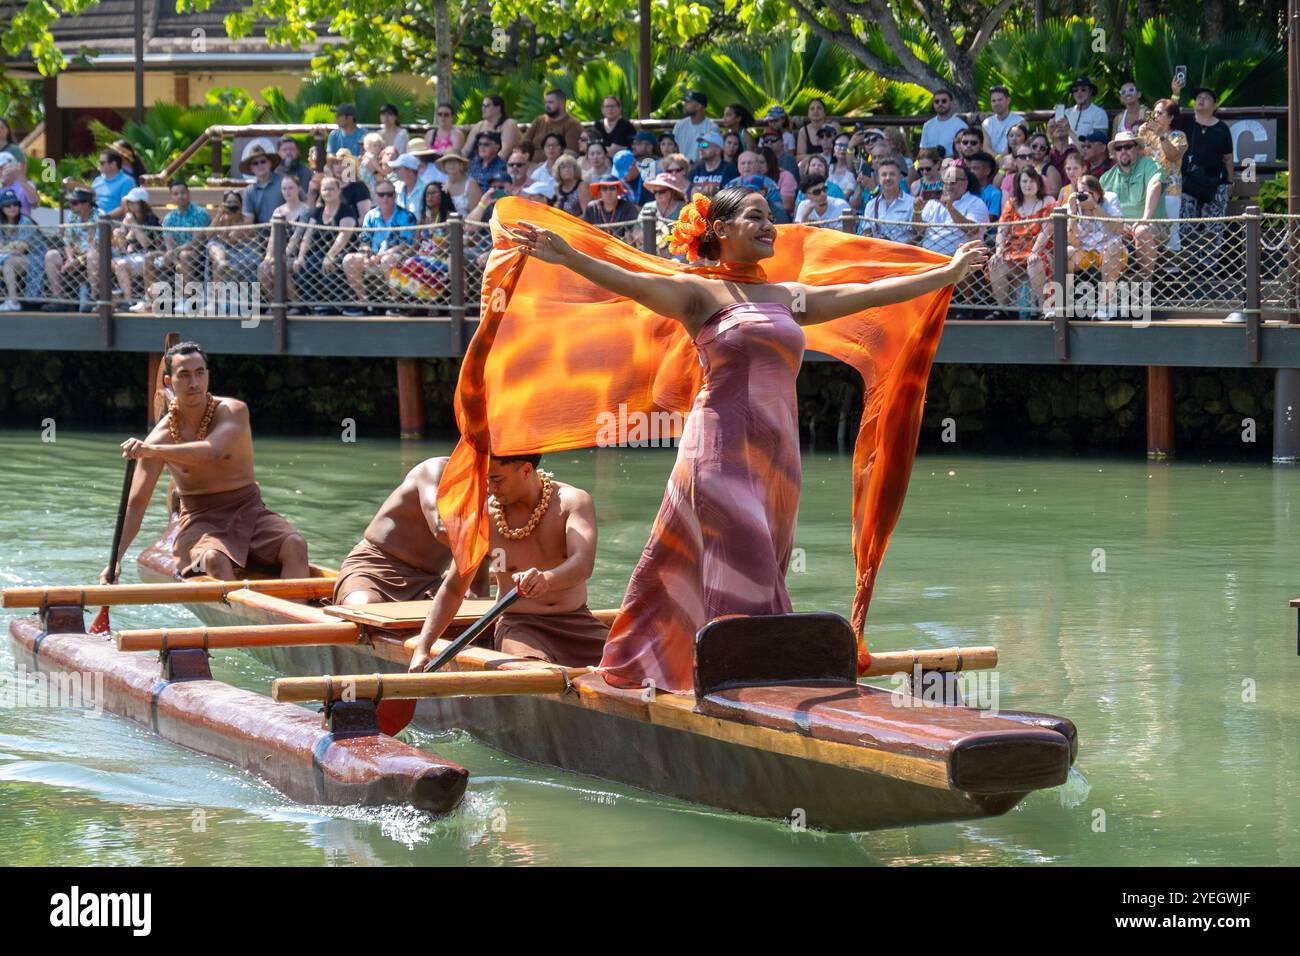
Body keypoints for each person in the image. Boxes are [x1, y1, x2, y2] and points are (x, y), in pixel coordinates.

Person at [495, 186, 986, 692]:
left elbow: (866, 295)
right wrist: (568, 256)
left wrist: (945, 275)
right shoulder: (699, 294)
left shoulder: (786, 296)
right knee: (748, 564)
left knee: (733, 563)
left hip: (777, 461)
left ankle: (674, 670)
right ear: (721, 231)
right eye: (755, 217)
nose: (769, 225)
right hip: (717, 453)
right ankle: (761, 684)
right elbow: (630, 282)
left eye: (770, 216)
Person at [101, 340, 308, 583]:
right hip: (199, 523)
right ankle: (238, 615)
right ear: (169, 381)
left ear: (208, 375)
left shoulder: (233, 411)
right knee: (212, 559)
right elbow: (135, 506)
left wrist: (153, 450)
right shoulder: (161, 436)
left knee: (295, 544)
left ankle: (296, 616)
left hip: (250, 511)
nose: (194, 383)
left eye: (200, 373)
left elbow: (211, 451)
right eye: (184, 375)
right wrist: (114, 561)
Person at [408, 454, 605, 671]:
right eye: (486, 481)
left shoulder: (573, 502)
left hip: (578, 621)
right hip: (520, 626)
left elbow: (583, 563)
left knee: (634, 666)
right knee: (534, 673)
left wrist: (546, 579)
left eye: (497, 480)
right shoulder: (482, 518)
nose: (491, 489)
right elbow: (454, 589)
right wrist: (422, 649)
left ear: (526, 471)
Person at [334, 457, 492, 605]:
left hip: (429, 582)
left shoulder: (497, 497)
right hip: (375, 568)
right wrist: (492, 540)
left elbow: (478, 582)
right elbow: (440, 528)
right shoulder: (436, 469)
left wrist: (481, 622)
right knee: (365, 608)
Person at [1178, 86, 1234, 274]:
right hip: (1188, 181)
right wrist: (1175, 93)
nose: (1201, 100)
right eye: (1198, 97)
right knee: (1186, 223)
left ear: (1215, 105)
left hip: (1214, 182)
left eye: (1206, 98)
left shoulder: (1222, 128)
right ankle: (1189, 263)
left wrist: (1230, 182)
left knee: (1214, 225)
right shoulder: (1185, 122)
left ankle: (1210, 266)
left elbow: (1228, 158)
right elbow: (1156, 119)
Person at [343, 179, 417, 316]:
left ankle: (398, 303)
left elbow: (407, 244)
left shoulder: (406, 216)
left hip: (400, 257)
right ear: (375, 196)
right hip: (375, 256)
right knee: (349, 259)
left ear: (394, 195)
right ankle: (366, 304)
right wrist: (367, 254)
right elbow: (364, 241)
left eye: (389, 194)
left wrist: (380, 256)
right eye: (381, 194)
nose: (385, 198)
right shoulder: (370, 216)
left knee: (387, 260)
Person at [1100, 129, 1164, 280]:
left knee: (1141, 231)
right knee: (1110, 242)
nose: (1123, 151)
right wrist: (1118, 226)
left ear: (1137, 148)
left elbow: (1155, 185)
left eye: (1128, 146)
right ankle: (1106, 295)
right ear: (1114, 153)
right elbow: (1100, 210)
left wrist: (1144, 219)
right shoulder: (1105, 178)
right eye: (1118, 148)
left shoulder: (1149, 164)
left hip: (1151, 225)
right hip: (1118, 230)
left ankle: (1146, 286)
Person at [989, 166, 1054, 315]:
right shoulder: (1012, 203)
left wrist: (1034, 252)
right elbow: (1002, 230)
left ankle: (1042, 309)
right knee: (995, 263)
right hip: (1014, 252)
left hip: (1041, 250)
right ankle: (1002, 310)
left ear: (1039, 183)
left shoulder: (1048, 201)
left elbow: (1046, 231)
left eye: (1032, 181)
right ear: (1018, 184)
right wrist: (999, 251)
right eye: (1024, 181)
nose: (1028, 185)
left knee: (1034, 261)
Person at [1065, 174, 1125, 317]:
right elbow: (1074, 242)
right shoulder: (1073, 205)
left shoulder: (1110, 199)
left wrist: (1094, 207)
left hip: (1110, 251)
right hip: (1086, 253)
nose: (1085, 196)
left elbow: (1118, 229)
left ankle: (1105, 306)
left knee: (1115, 245)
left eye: (1090, 193)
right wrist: (1073, 216)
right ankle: (1064, 305)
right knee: (1066, 252)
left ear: (1098, 193)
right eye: (1082, 193)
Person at [295, 177, 358, 313]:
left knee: (330, 266)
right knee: (306, 265)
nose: (327, 192)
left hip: (342, 253)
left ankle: (336, 305)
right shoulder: (317, 212)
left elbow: (344, 236)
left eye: (331, 189)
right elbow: (308, 235)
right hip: (319, 253)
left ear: (338, 190)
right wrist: (301, 256)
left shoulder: (346, 210)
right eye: (324, 189)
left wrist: (330, 255)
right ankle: (313, 304)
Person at [148, 180, 211, 312]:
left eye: (183, 192)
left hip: (198, 253)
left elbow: (197, 241)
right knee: (149, 257)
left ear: (188, 193)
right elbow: (169, 244)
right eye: (176, 194)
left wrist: (177, 252)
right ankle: (149, 299)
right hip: (176, 255)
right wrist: (172, 255)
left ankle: (186, 299)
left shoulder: (200, 213)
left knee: (185, 255)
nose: (180, 196)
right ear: (172, 197)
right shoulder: (169, 218)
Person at [1139, 98, 1188, 254]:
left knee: (1171, 229)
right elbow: (1138, 159)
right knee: (1148, 228)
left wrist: (1161, 136)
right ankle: (1152, 265)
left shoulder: (1179, 136)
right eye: (1154, 114)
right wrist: (1140, 135)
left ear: (1171, 117)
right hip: (1148, 190)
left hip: (1170, 190)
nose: (1155, 117)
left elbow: (1173, 156)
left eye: (1160, 113)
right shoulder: (1147, 135)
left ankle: (1172, 268)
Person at [257, 175, 312, 312]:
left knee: (278, 267)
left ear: (299, 188)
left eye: (291, 188)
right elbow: (273, 237)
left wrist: (281, 256)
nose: (287, 192)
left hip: (297, 254)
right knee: (262, 269)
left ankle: (297, 305)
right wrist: (268, 258)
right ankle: (275, 304)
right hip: (277, 254)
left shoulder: (305, 210)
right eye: (284, 188)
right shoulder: (278, 211)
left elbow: (297, 237)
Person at [41, 186, 98, 310]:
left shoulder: (98, 217)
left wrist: (78, 262)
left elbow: (95, 245)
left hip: (94, 256)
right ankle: (58, 299)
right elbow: (67, 242)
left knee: (91, 255)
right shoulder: (72, 216)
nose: (71, 205)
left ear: (87, 204)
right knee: (51, 255)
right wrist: (71, 259)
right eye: (71, 202)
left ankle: (93, 299)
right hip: (75, 255)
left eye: (74, 203)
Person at [915, 165, 989, 256]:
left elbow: (973, 230)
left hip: (961, 262)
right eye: (945, 181)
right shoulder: (933, 202)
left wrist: (950, 208)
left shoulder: (976, 203)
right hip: (930, 259)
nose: (948, 186)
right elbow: (918, 231)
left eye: (953, 182)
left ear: (965, 183)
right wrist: (917, 211)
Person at [114, 186, 162, 312]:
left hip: (151, 257)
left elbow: (147, 244)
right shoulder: (129, 218)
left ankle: (129, 300)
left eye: (133, 201)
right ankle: (123, 298)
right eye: (129, 202)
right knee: (115, 262)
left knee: (121, 264)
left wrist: (134, 225)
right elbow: (123, 246)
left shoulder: (152, 219)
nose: (130, 204)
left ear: (142, 203)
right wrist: (120, 234)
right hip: (132, 256)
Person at [207, 189, 260, 289]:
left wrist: (227, 223)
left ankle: (219, 299)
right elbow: (209, 235)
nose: (232, 205)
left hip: (244, 253)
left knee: (217, 263)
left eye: (235, 202)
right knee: (213, 245)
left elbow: (231, 241)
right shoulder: (222, 218)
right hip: (227, 252)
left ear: (240, 205)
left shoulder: (246, 220)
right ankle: (221, 262)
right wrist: (219, 214)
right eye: (229, 203)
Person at [858, 158, 920, 244]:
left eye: (892, 174)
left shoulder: (911, 203)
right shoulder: (871, 205)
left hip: (904, 255)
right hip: (878, 254)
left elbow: (917, 236)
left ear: (900, 177)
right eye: (884, 174)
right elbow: (866, 233)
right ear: (878, 179)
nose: (888, 178)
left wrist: (892, 247)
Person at [0, 188, 39, 311]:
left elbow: (21, 250)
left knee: (8, 263)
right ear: (2, 208)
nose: (12, 207)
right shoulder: (1, 222)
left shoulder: (25, 221)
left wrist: (7, 249)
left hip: (33, 259)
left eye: (15, 204)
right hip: (8, 257)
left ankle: (13, 302)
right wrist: (11, 247)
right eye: (8, 205)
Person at [726, 151, 788, 224]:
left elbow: (779, 210)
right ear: (738, 166)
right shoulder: (731, 185)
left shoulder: (770, 184)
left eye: (750, 163)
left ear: (758, 165)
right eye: (743, 163)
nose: (746, 166)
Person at [526, 89, 585, 156]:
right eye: (545, 103)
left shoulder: (572, 124)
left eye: (550, 102)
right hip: (529, 164)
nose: (547, 106)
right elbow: (524, 143)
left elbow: (570, 153)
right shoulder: (539, 120)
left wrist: (545, 164)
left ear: (562, 104)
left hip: (555, 165)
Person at [464, 95, 522, 159]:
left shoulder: (509, 124)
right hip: (474, 163)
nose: (483, 108)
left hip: (499, 165)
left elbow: (505, 151)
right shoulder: (479, 126)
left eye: (487, 106)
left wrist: (487, 165)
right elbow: (466, 150)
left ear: (498, 108)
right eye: (482, 106)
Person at [240, 144, 285, 224]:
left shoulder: (284, 181)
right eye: (255, 163)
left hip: (285, 231)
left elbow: (301, 205)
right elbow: (249, 219)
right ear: (251, 168)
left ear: (270, 164)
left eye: (263, 161)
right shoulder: (249, 191)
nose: (259, 165)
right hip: (260, 234)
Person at [673, 91, 720, 163]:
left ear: (699, 106)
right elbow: (674, 149)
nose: (684, 105)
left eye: (688, 102)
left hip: (702, 168)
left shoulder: (712, 128)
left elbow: (710, 150)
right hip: (681, 168)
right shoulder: (679, 125)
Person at [919, 89, 968, 156]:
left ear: (951, 103)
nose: (940, 104)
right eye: (937, 101)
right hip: (930, 164)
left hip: (952, 163)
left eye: (944, 101)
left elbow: (965, 152)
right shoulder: (927, 125)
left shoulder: (961, 126)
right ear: (933, 104)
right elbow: (923, 150)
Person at [688, 132, 738, 198]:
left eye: (705, 145)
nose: (701, 149)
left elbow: (730, 197)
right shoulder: (695, 170)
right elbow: (687, 195)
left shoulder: (730, 169)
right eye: (699, 145)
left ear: (718, 150)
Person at [91, 148, 135, 220]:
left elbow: (124, 207)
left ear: (113, 164)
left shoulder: (126, 181)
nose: (98, 165)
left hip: (112, 222)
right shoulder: (97, 180)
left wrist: (104, 219)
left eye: (102, 163)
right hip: (93, 220)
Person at [981, 85, 1024, 156]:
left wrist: (1003, 159)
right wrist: (998, 159)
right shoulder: (986, 123)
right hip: (992, 161)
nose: (996, 103)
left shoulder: (1020, 121)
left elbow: (1017, 145)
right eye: (993, 101)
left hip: (1013, 159)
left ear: (1008, 100)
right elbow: (986, 147)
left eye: (1000, 100)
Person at [435, 152, 481, 218]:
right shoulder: (442, 185)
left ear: (461, 165)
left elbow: (475, 214)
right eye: (448, 162)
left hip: (467, 225)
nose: (451, 165)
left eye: (455, 162)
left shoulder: (471, 185)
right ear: (444, 166)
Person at [966, 151, 1003, 220]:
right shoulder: (965, 190)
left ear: (987, 171)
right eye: (970, 169)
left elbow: (991, 218)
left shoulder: (995, 194)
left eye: (975, 168)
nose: (971, 172)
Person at [388, 153, 426, 219]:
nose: (395, 171)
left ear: (410, 170)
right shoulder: (395, 187)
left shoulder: (425, 188)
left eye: (398, 169)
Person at [0, 153, 38, 219]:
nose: (1, 171)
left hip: (22, 226)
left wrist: (19, 174)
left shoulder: (25, 184)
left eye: (2, 168)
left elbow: (34, 203)